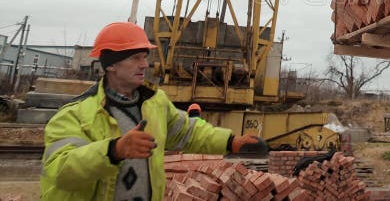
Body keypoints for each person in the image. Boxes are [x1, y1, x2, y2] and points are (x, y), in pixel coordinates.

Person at [40, 22, 260, 201]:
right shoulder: (74, 114)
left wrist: (231, 141)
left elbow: (188, 132)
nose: (145, 64)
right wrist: (112, 150)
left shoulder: (155, 103)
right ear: (111, 65)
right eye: (135, 58)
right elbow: (61, 171)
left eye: (145, 57)